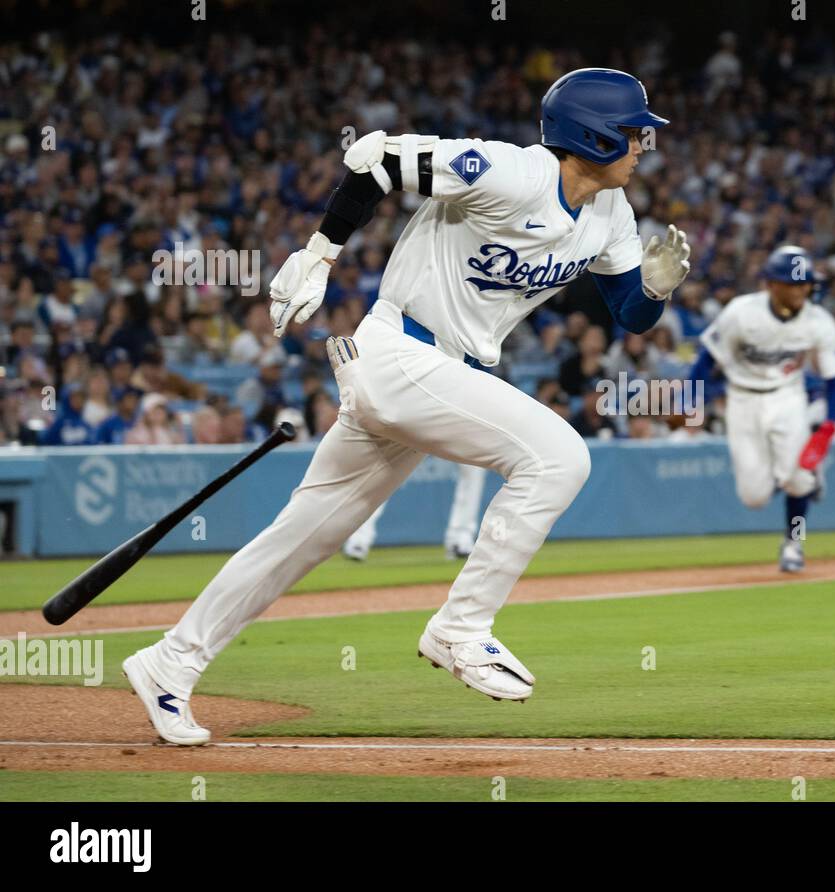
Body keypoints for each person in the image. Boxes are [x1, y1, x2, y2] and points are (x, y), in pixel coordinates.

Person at [122, 68, 690, 744]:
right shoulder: (513, 173)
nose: (642, 146)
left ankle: (169, 663)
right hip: (402, 354)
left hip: (429, 377)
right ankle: (461, 628)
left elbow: (628, 314)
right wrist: (319, 253)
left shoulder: (611, 214)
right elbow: (377, 159)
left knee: (303, 539)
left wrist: (655, 291)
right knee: (559, 456)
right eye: (632, 133)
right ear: (593, 136)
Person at [689, 246, 835, 572]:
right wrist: (689, 399)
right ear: (771, 285)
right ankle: (794, 474)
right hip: (742, 400)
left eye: (806, 283)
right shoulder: (741, 312)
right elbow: (707, 359)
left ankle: (794, 543)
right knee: (754, 497)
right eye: (794, 283)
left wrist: (829, 426)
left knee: (799, 480)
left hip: (787, 396)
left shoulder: (818, 321)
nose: (803, 289)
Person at [342, 463, 488, 561]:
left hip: (456, 420)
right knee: (390, 464)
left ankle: (460, 538)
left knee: (475, 464)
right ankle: (358, 538)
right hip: (419, 419)